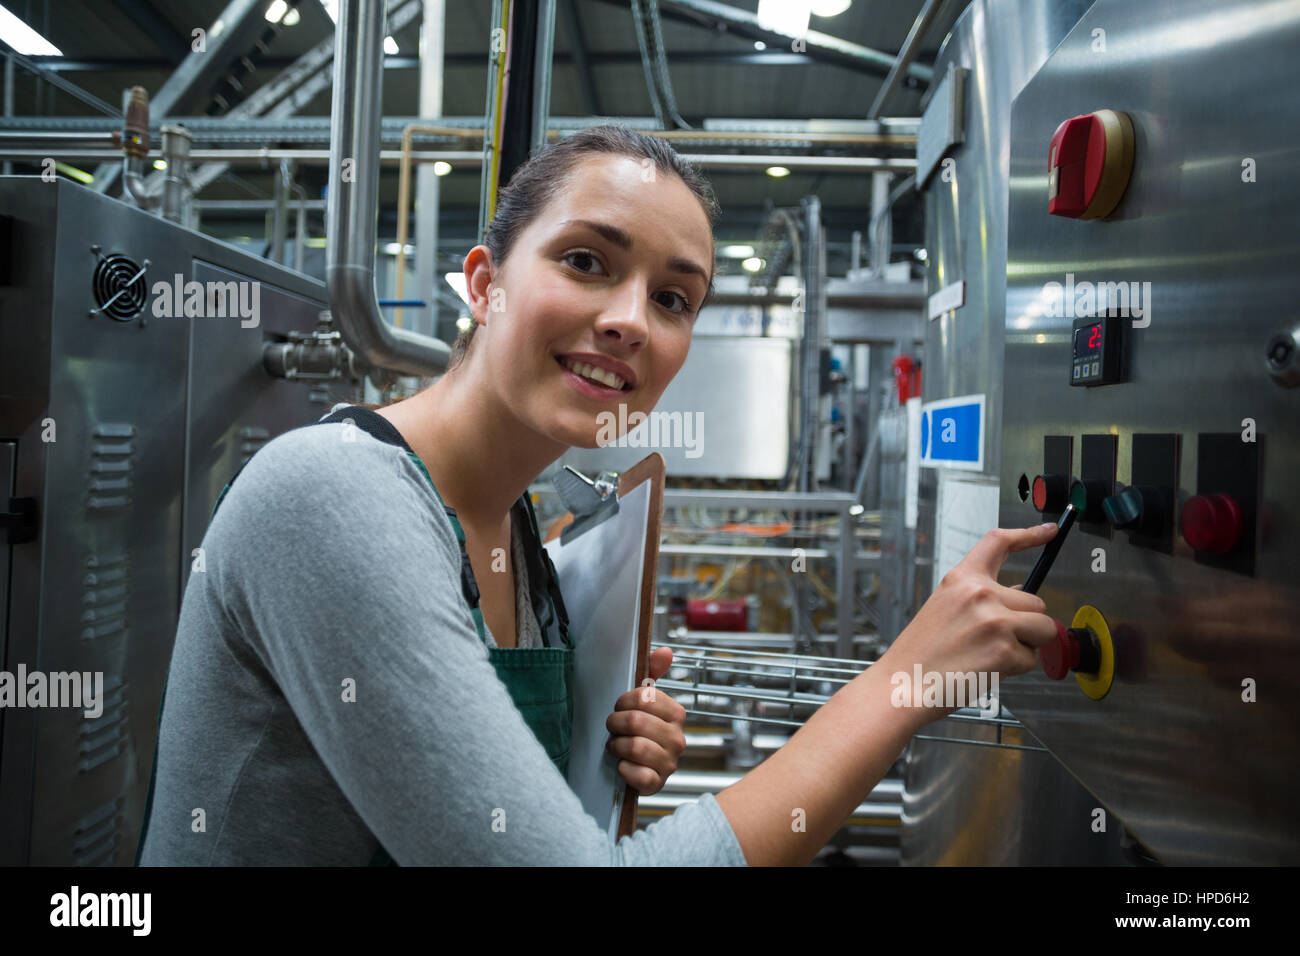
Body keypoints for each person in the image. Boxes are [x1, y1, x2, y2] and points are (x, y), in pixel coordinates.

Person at [137, 125, 1059, 866]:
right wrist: (904, 684)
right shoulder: (334, 494)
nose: (628, 320)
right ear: (485, 284)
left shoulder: (521, 536)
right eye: (586, 262)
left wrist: (594, 759)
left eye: (673, 299)